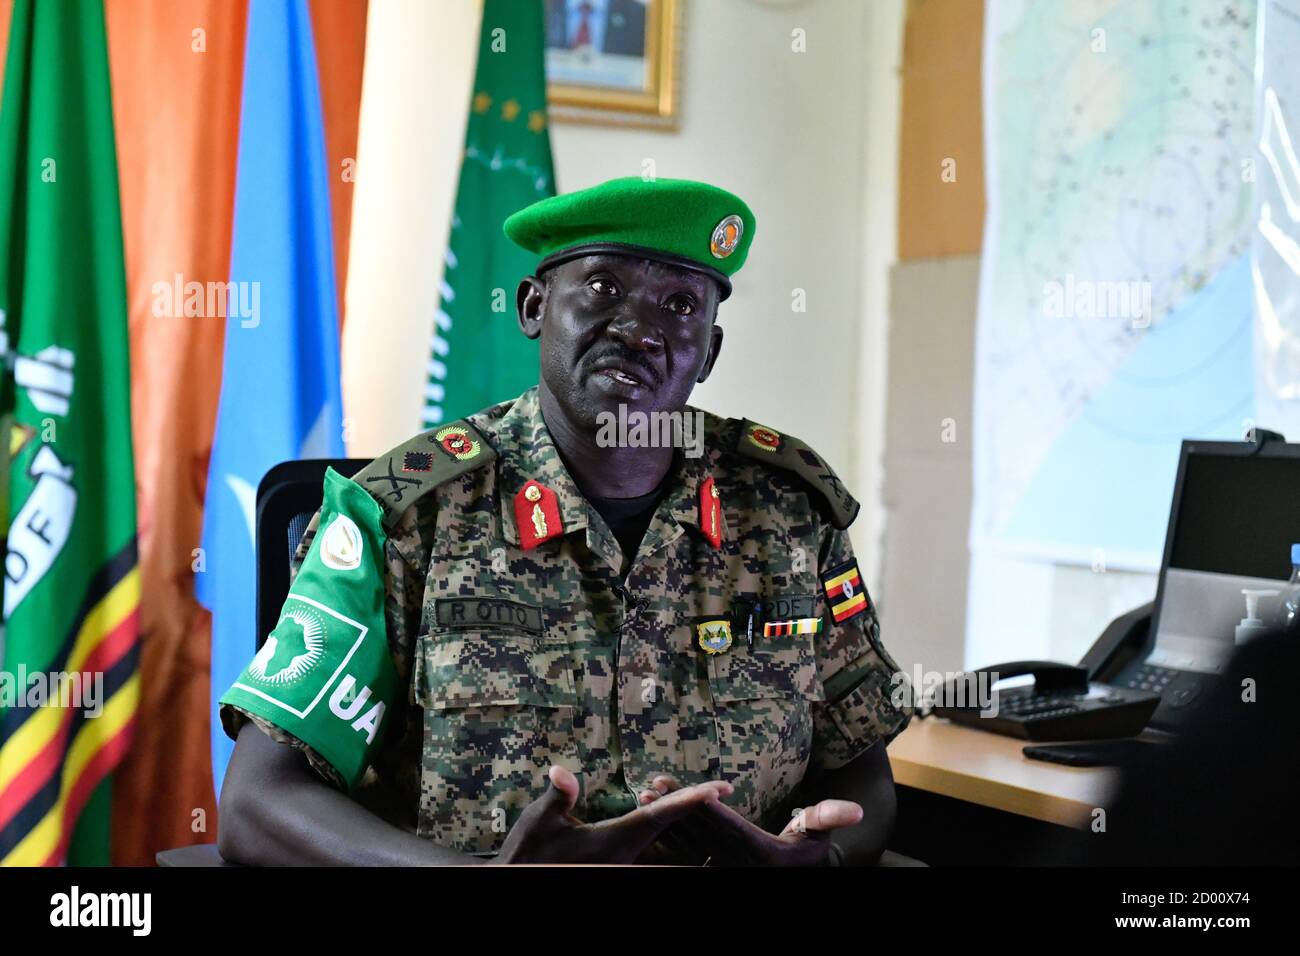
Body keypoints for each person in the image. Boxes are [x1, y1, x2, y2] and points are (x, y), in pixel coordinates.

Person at [216, 176, 913, 866]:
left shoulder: (790, 514)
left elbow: (859, 774)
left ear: (708, 353)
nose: (640, 330)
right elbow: (259, 801)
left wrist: (819, 862)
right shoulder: (405, 518)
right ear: (532, 306)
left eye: (678, 306)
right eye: (605, 288)